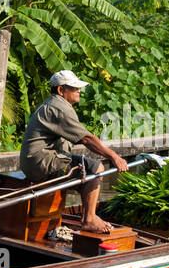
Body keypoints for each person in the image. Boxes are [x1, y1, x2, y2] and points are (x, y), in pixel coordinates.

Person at [20, 70, 128, 234]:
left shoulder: (53, 104)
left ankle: (85, 214)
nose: (79, 91)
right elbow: (87, 139)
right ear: (61, 90)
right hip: (41, 163)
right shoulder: (60, 108)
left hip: (35, 162)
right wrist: (114, 156)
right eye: (73, 88)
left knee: (83, 166)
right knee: (96, 168)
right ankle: (89, 219)